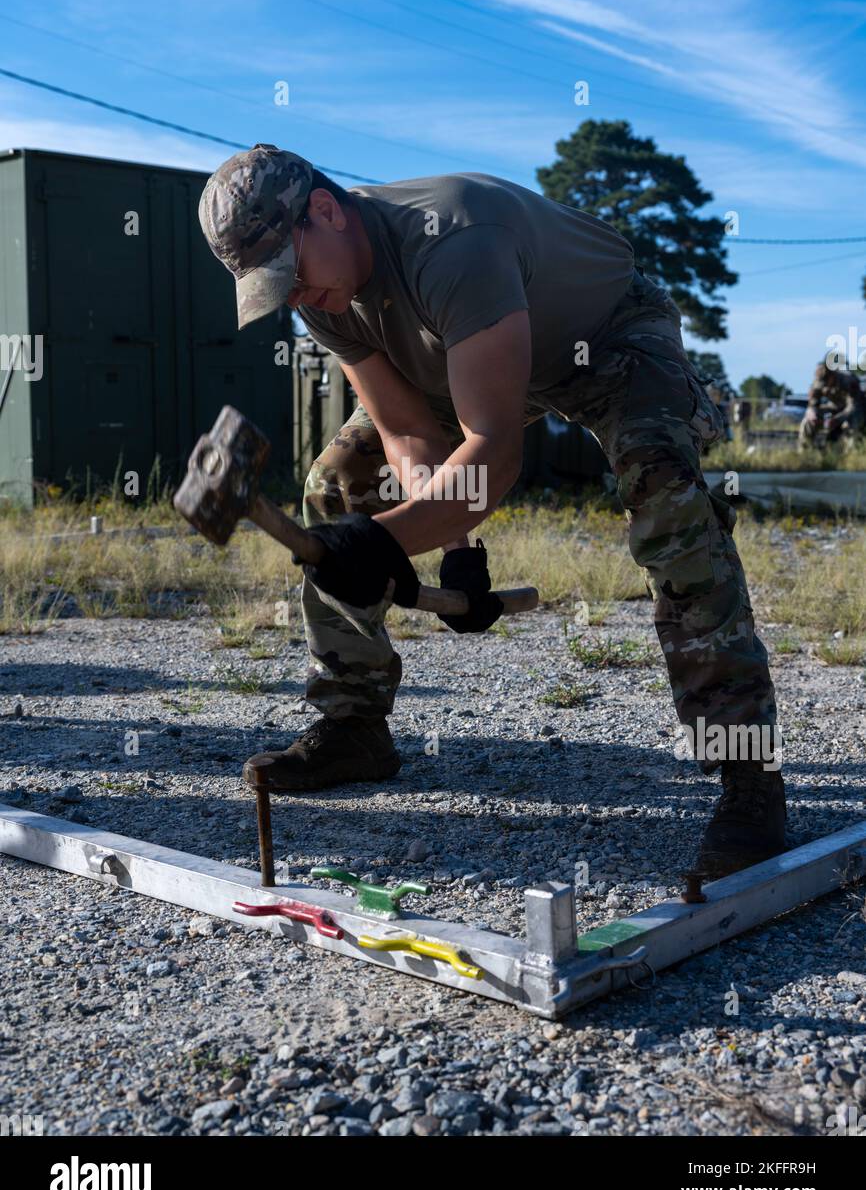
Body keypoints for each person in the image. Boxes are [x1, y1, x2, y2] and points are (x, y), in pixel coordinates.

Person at [197, 143, 785, 878]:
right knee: (340, 480)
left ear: (325, 210)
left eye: (291, 273)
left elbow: (494, 452)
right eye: (271, 287)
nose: (292, 297)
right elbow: (412, 432)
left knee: (666, 502)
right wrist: (454, 551)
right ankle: (353, 724)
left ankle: (747, 776)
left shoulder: (455, 242)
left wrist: (378, 546)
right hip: (464, 359)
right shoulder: (329, 295)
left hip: (605, 339)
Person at [799, 360, 866, 451]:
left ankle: (850, 455)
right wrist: (812, 412)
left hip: (856, 409)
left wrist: (837, 419)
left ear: (832, 376)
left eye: (826, 381)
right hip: (834, 407)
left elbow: (853, 406)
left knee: (849, 425)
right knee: (807, 422)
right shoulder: (819, 380)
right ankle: (805, 452)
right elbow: (813, 402)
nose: (825, 385)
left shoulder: (849, 380)